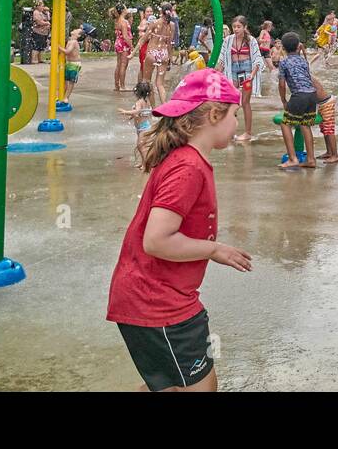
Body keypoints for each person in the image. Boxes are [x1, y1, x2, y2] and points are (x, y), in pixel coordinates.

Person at [106, 68, 251, 392]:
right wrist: (214, 249)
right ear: (214, 114)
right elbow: (157, 240)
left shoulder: (186, 159)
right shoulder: (188, 167)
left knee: (171, 387)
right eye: (235, 114)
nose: (237, 123)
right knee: (198, 388)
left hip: (155, 299)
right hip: (159, 304)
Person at [277, 33, 320, 170]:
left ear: (283, 48)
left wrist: (284, 100)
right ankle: (311, 159)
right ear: (298, 47)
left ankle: (292, 158)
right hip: (312, 95)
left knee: (285, 124)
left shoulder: (283, 62)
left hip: (299, 96)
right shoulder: (303, 61)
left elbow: (282, 84)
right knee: (305, 125)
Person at [219, 15, 261, 142]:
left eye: (239, 27)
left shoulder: (251, 40)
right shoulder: (228, 40)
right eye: (234, 27)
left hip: (247, 70)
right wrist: (216, 74)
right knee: (231, 102)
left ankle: (248, 133)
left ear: (245, 27)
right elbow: (222, 59)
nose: (236, 29)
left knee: (245, 102)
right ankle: (230, 132)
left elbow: (257, 60)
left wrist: (251, 76)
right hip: (232, 71)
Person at [117, 81, 155, 169]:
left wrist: (125, 112)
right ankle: (143, 163)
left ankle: (146, 165)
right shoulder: (146, 101)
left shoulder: (139, 102)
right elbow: (141, 113)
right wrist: (130, 117)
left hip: (144, 127)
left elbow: (137, 111)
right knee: (142, 146)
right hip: (143, 126)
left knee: (141, 145)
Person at [312, 75, 338, 164]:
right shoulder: (305, 75)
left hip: (327, 103)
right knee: (324, 130)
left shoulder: (308, 77)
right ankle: (329, 152)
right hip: (321, 104)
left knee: (329, 130)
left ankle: (335, 155)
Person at [110, 4, 133, 92]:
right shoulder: (124, 21)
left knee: (118, 64)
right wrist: (131, 46)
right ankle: (122, 86)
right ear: (123, 10)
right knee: (123, 65)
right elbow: (125, 36)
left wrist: (130, 15)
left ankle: (117, 85)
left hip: (118, 43)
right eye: (126, 8)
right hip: (124, 44)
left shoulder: (117, 20)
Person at [61, 28, 83, 102]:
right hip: (69, 63)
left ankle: (66, 97)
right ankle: (64, 96)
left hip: (75, 64)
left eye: (77, 30)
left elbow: (67, 51)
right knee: (65, 80)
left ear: (78, 35)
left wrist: (58, 48)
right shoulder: (70, 41)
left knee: (71, 81)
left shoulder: (74, 42)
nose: (75, 29)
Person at [30, 0, 51, 64]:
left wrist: (47, 12)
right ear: (38, 6)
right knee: (36, 46)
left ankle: (40, 59)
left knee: (41, 46)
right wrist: (46, 23)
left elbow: (48, 18)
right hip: (38, 32)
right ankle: (34, 59)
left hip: (44, 32)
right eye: (42, 6)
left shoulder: (42, 12)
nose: (43, 7)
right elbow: (39, 22)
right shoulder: (36, 12)